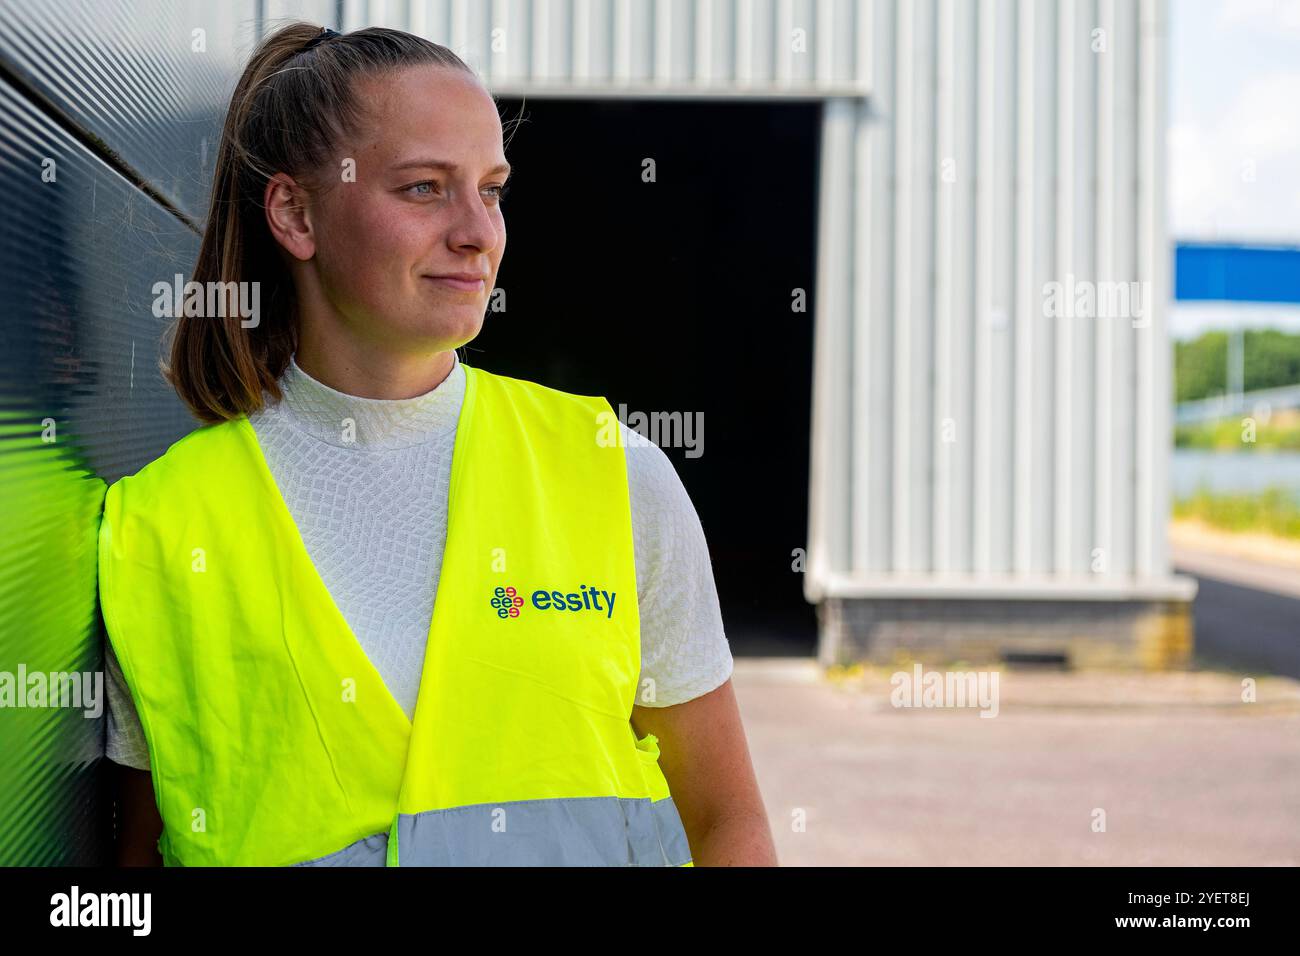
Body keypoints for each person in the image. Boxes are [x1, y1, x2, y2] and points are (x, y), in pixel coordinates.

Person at [101, 21, 777, 867]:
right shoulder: (155, 532)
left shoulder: (615, 474)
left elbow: (728, 823)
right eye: (424, 188)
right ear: (296, 214)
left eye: (491, 190)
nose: (478, 232)